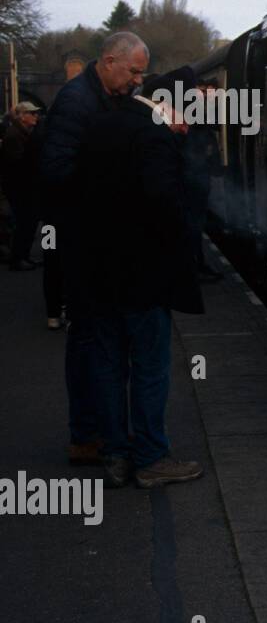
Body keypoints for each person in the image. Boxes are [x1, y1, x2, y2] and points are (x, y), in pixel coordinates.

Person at [73, 66, 205, 488]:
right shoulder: (153, 135)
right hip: (143, 276)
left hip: (99, 272)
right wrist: (186, 238)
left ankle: (115, 456)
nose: (189, 124)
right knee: (149, 368)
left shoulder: (100, 123)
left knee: (109, 367)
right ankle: (151, 458)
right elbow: (164, 202)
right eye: (189, 113)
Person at [40, 31, 149, 466]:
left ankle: (95, 431)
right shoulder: (76, 102)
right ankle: (88, 434)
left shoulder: (98, 97)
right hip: (83, 240)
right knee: (89, 338)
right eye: (134, 71)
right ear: (108, 62)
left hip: (90, 237)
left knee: (93, 339)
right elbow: (57, 170)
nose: (138, 81)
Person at [183, 81, 223, 282]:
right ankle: (194, 266)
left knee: (196, 224)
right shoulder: (195, 114)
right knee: (194, 224)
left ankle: (196, 263)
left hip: (198, 176)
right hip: (194, 177)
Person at [1, 101, 41, 272]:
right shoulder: (14, 135)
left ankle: (22, 256)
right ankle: (18, 259)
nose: (35, 116)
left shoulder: (21, 132)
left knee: (26, 222)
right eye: (31, 113)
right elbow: (19, 164)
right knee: (24, 223)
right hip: (19, 188)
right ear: (21, 116)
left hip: (21, 186)